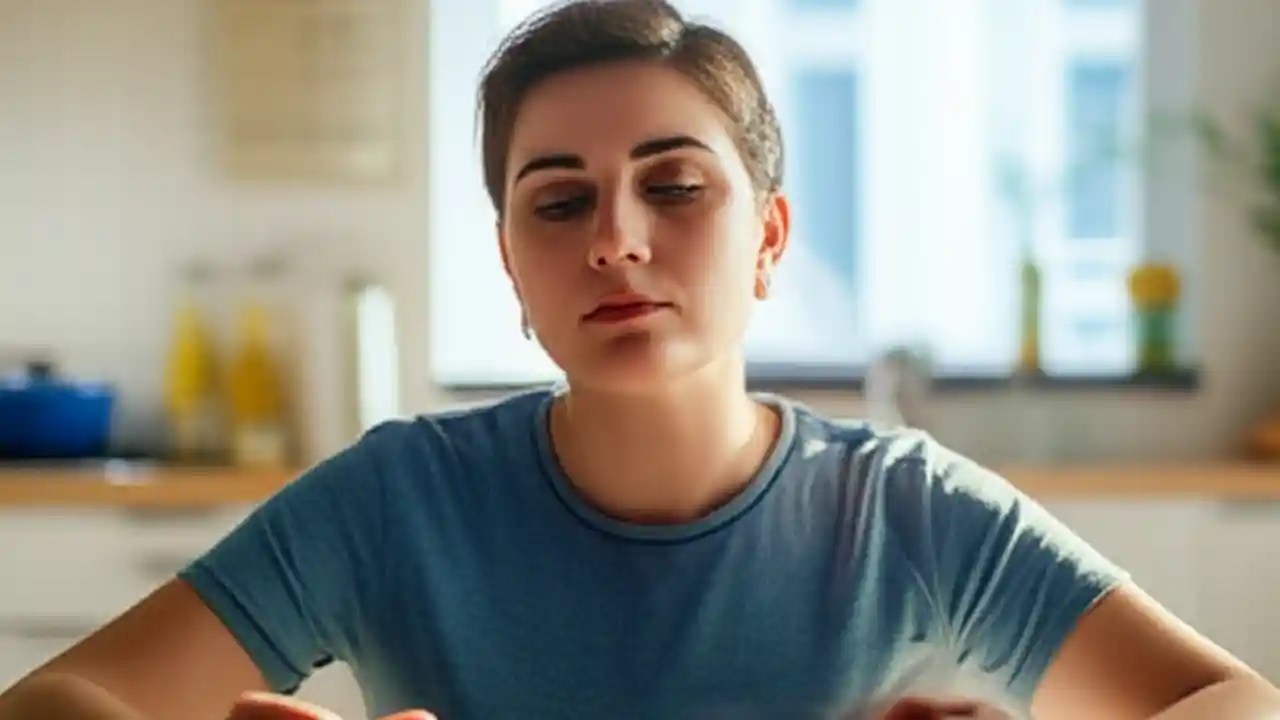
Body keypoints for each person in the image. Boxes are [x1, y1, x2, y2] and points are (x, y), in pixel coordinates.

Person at [2, 1, 1278, 718]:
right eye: (558, 204)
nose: (614, 241)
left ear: (768, 235)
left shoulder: (902, 507)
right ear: (509, 265)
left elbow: (1229, 705)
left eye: (673, 188)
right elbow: (59, 704)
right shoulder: (398, 502)